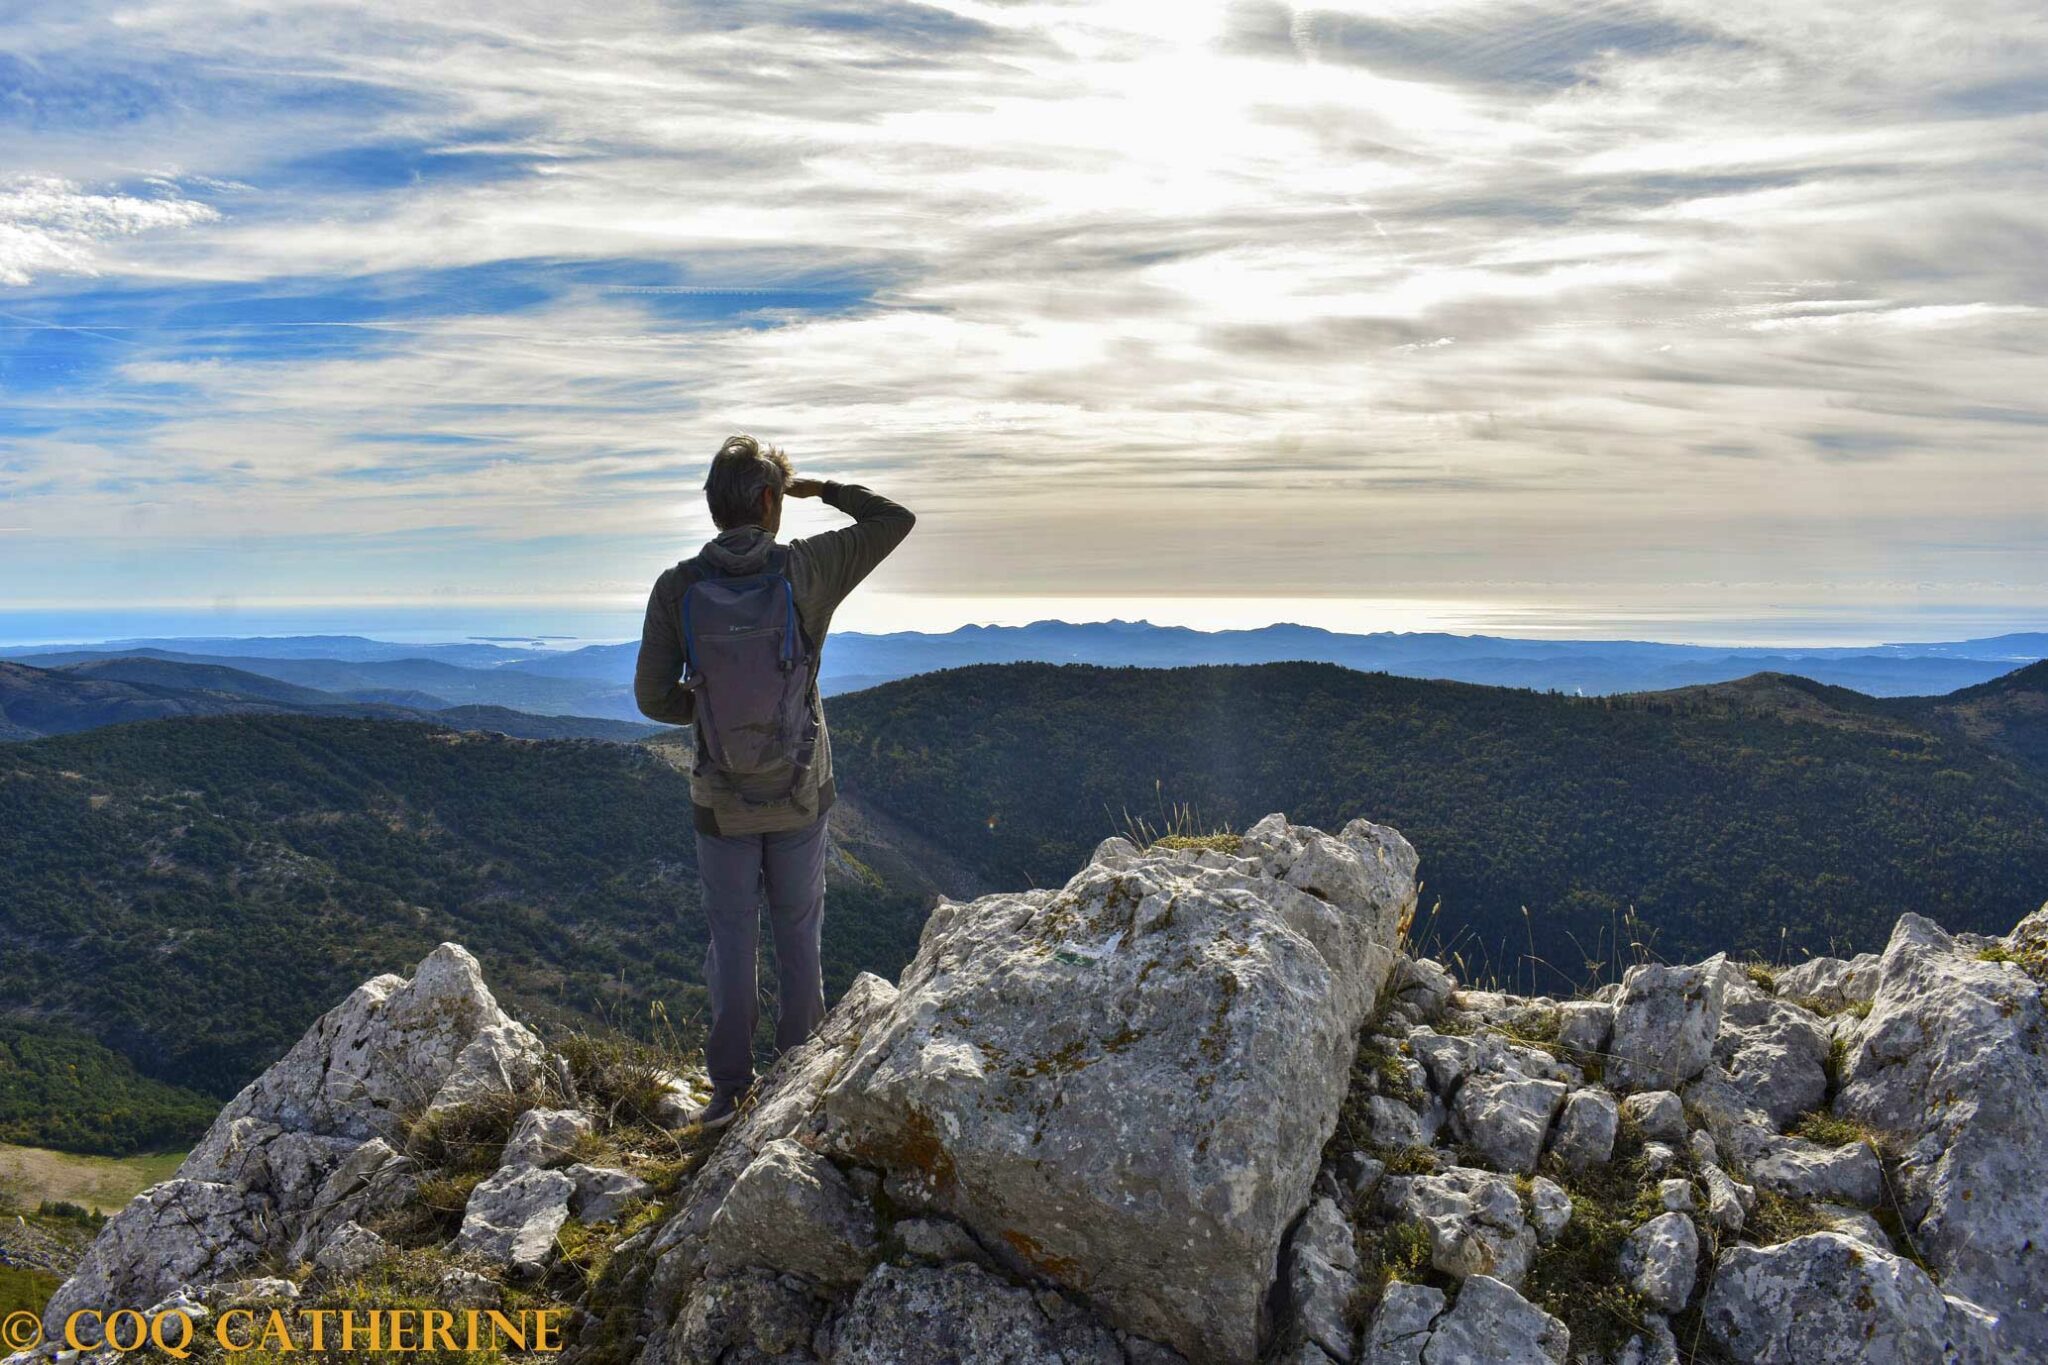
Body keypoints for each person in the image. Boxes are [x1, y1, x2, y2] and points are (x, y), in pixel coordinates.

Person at [635, 433, 915, 1129]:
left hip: (720, 802)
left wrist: (704, 713)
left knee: (732, 943)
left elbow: (649, 697)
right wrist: (820, 491)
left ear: (710, 506)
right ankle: (799, 1083)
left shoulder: (678, 587)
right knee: (799, 936)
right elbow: (893, 520)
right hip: (798, 794)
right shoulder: (807, 569)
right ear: (769, 501)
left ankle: (729, 1092)